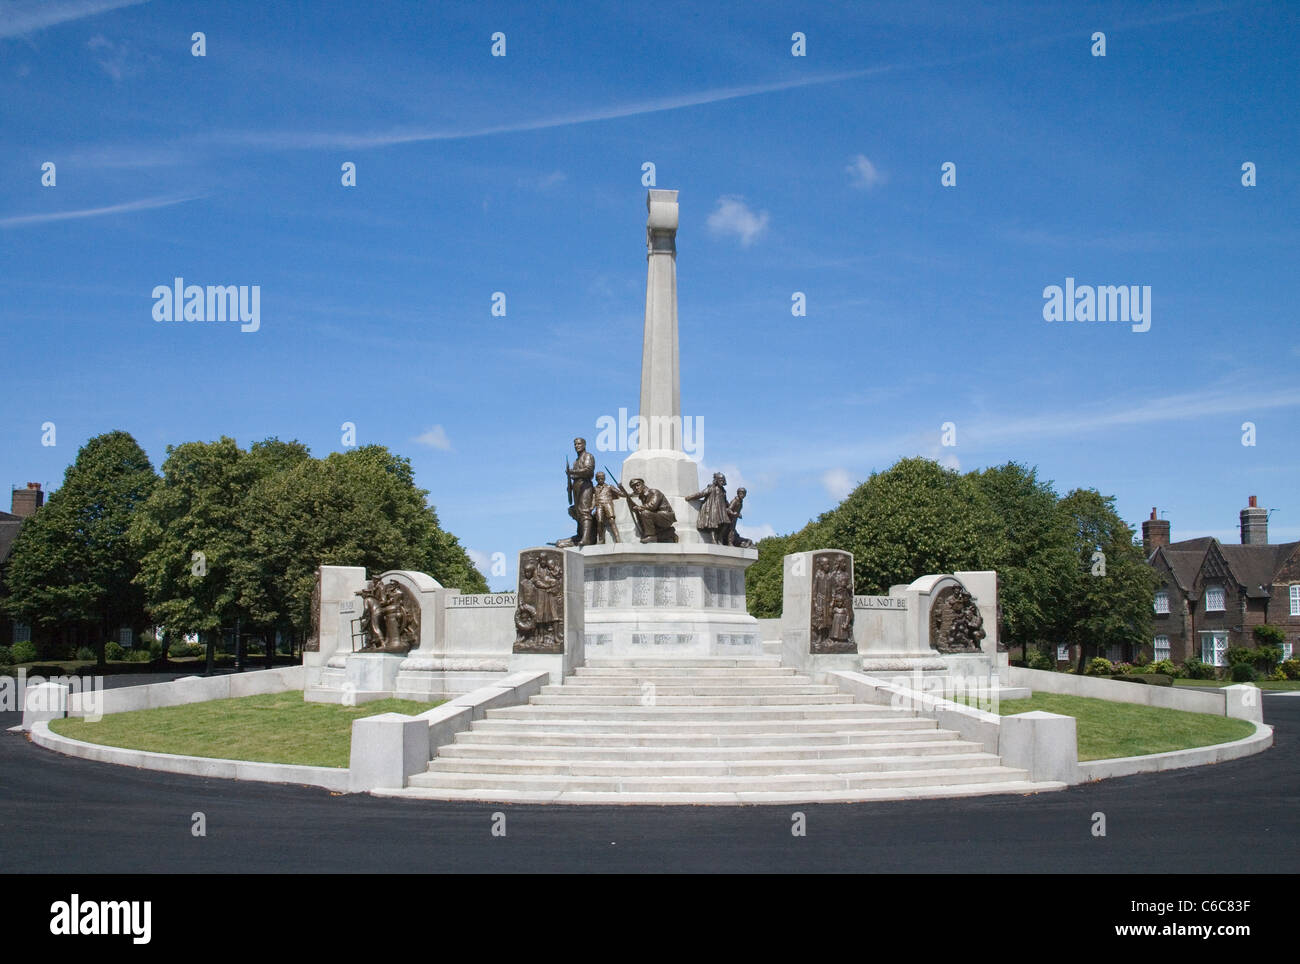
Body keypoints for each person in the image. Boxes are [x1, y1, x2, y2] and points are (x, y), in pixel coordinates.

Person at [627, 478, 677, 543]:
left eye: (638, 485)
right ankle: (669, 534)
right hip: (657, 516)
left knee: (645, 513)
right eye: (633, 487)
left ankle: (652, 537)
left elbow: (652, 506)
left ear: (643, 484)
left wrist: (639, 507)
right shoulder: (642, 496)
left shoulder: (654, 492)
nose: (636, 488)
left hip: (666, 516)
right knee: (641, 516)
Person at [686, 472, 729, 543]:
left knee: (726, 523)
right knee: (713, 524)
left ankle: (720, 537)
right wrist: (690, 497)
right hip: (713, 508)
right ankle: (713, 539)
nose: (721, 481)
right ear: (716, 480)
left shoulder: (723, 490)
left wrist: (729, 507)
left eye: (723, 480)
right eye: (720, 480)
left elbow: (725, 500)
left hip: (721, 509)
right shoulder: (711, 488)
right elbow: (701, 493)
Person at [591, 471, 625, 544]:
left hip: (608, 504)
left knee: (612, 520)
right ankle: (601, 539)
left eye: (602, 478)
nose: (600, 479)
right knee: (599, 521)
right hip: (599, 505)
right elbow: (593, 499)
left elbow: (621, 494)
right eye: (599, 478)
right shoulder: (594, 489)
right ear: (596, 479)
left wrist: (621, 488)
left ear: (604, 478)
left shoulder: (609, 487)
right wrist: (591, 508)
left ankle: (617, 538)